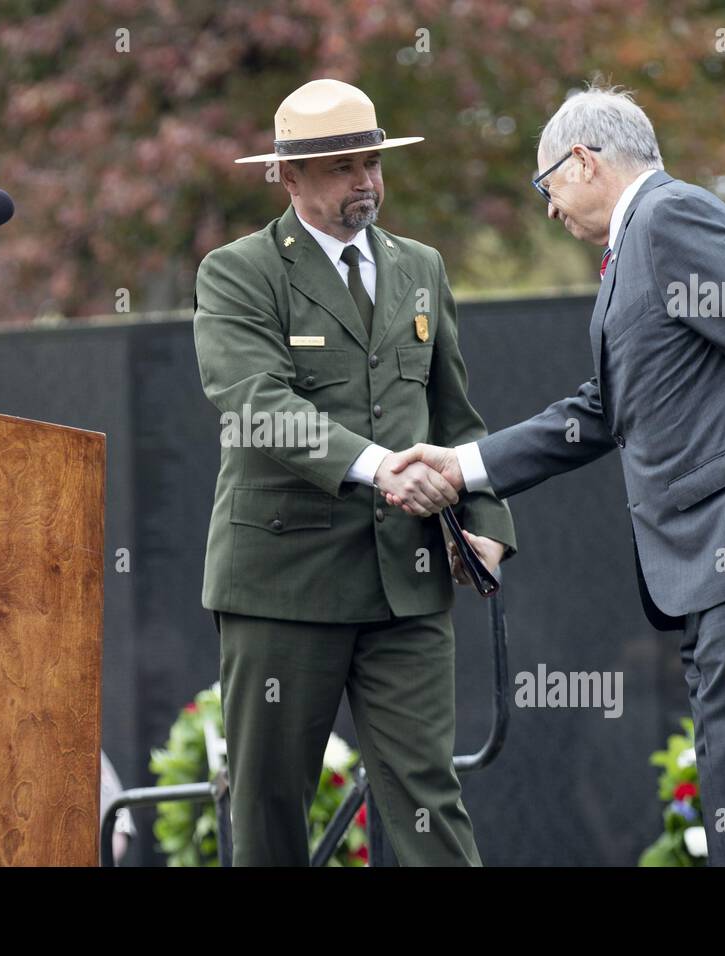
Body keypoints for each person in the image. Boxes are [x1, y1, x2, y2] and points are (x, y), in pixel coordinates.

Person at [386, 86, 725, 867]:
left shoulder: (667, 220)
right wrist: (464, 466)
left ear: (583, 161)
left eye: (546, 183)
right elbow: (599, 411)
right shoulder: (646, 240)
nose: (549, 208)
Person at [193, 78, 515, 865]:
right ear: (289, 178)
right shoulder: (238, 272)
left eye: (371, 162)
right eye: (341, 168)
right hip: (282, 585)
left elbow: (455, 417)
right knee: (270, 806)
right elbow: (255, 405)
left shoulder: (422, 268)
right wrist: (380, 472)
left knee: (427, 799)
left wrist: (488, 526)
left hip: (405, 584)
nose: (365, 181)